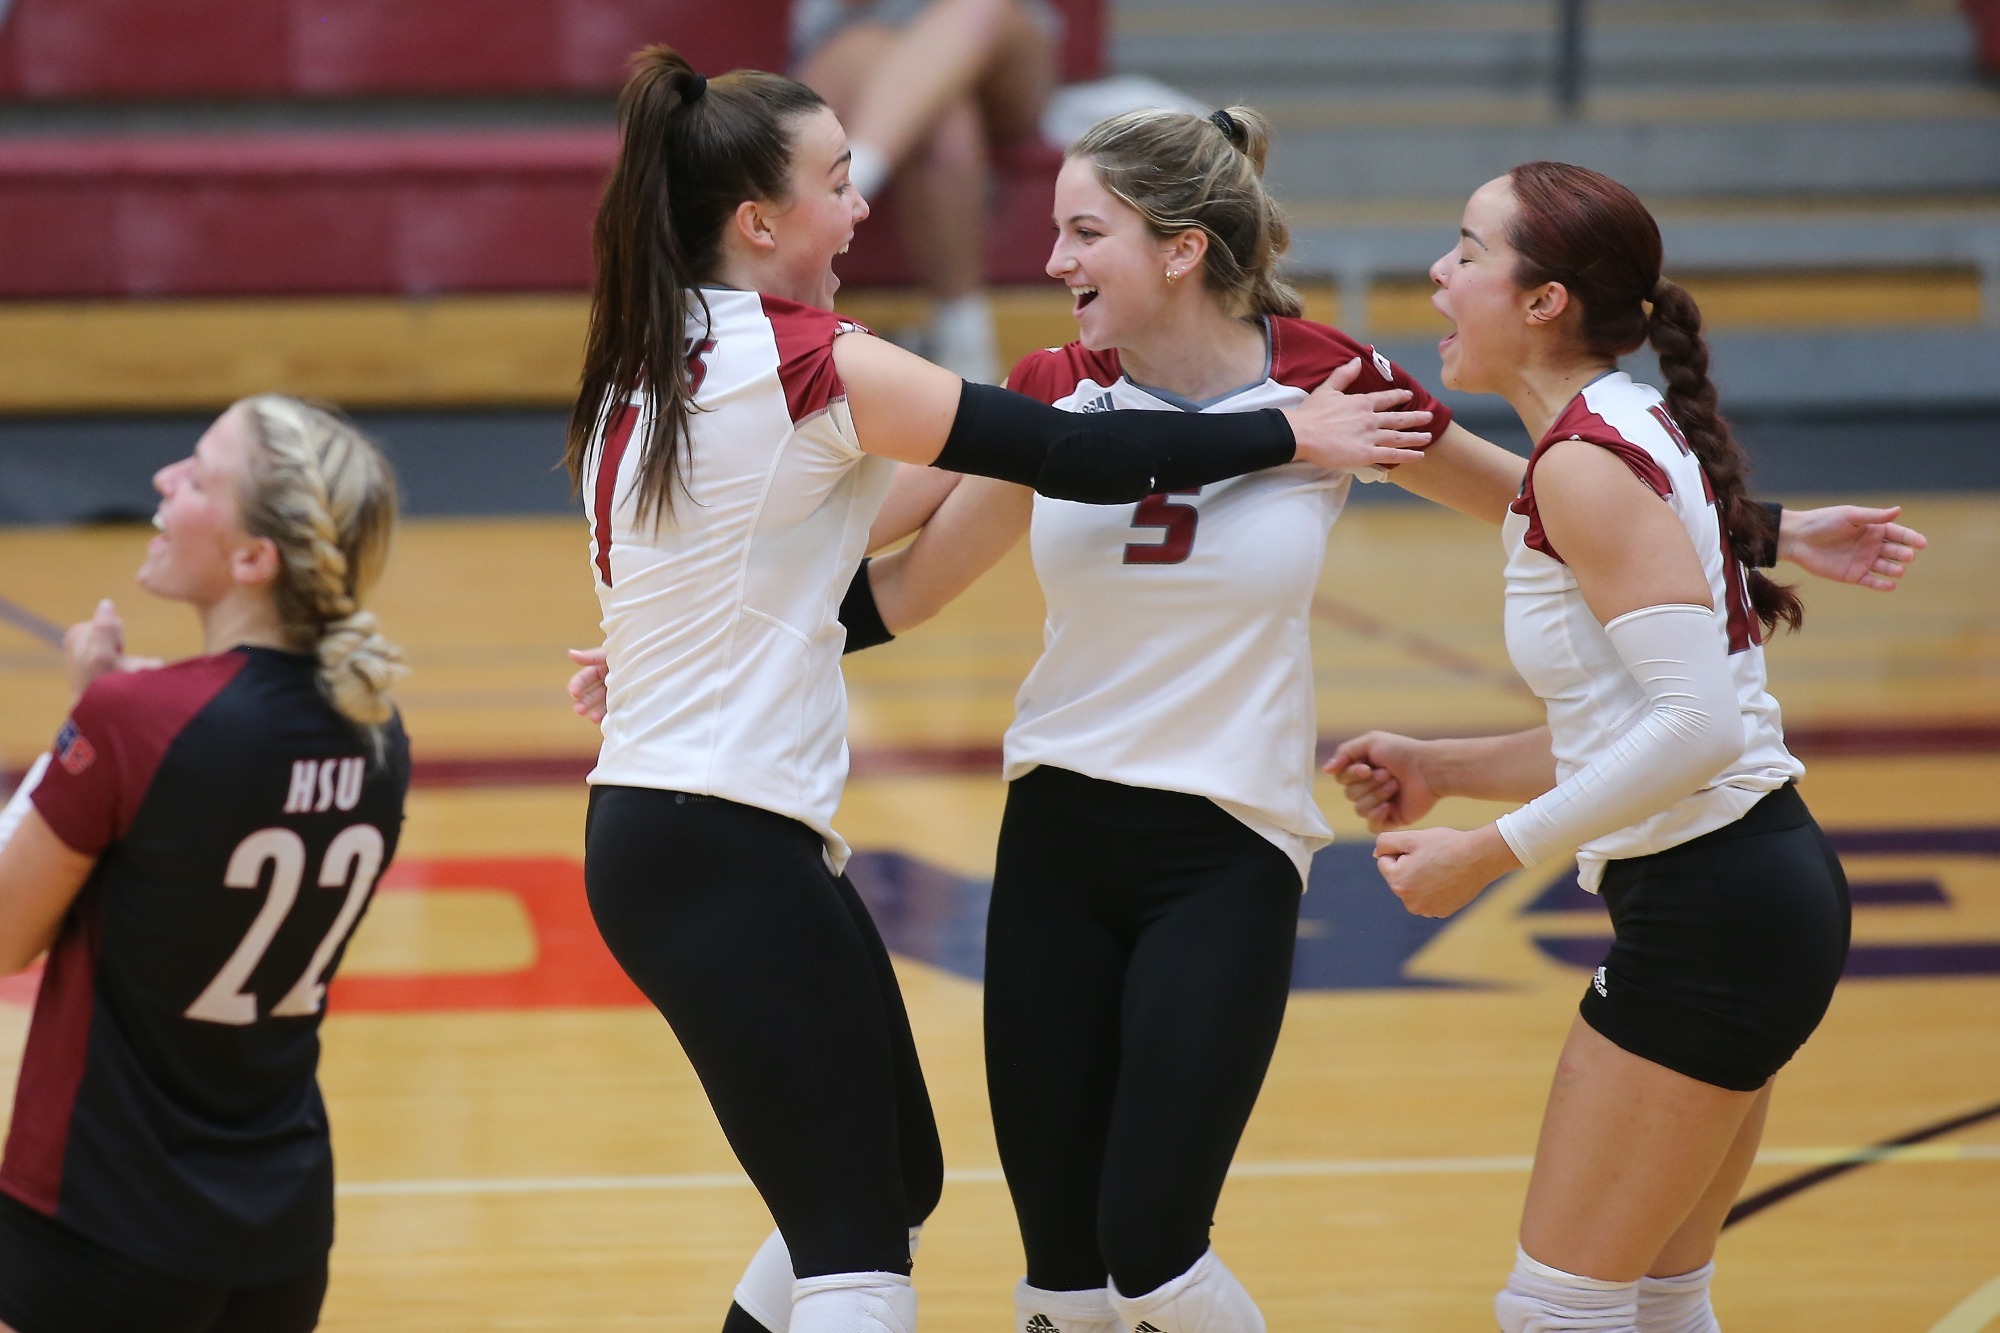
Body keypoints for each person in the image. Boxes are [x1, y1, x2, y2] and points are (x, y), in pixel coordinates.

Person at [568, 102, 1923, 1333]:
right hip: (1056, 833)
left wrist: (1769, 530)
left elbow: (1551, 493)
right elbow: (891, 591)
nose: (1054, 262)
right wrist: (671, 651)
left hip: (1227, 842)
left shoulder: (1328, 378)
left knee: (1153, 1250)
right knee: (1061, 1283)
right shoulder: (1055, 392)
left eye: (1083, 232)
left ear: (1177, 248)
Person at [563, 47, 1434, 1333]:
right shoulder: (810, 364)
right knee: (859, 1260)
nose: (864, 208)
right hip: (715, 833)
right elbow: (1073, 453)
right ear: (759, 220)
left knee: (891, 1182)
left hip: (690, 824)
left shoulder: (654, 350)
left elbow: (815, 575)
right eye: (840, 182)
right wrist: (1280, 431)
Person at [1329, 162, 1861, 1333]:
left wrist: (1486, 852)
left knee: (1557, 1308)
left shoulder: (1583, 460)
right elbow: (1634, 724)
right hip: (1749, 893)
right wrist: (1448, 764)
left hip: (1715, 911)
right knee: (1658, 1302)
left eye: (1466, 250)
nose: (1438, 270)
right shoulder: (1609, 432)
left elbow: (1695, 728)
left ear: (1541, 300)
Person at [0, 396, 409, 1333]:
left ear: (252, 559)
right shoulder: (380, 729)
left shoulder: (137, 720)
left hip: (100, 1220)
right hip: (284, 1231)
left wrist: (82, 718)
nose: (162, 478)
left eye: (195, 471)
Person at [794, 0, 1061, 381]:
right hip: (855, 34)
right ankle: (966, 345)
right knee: (945, 119)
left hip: (995, 38)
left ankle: (853, 178)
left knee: (978, 8)